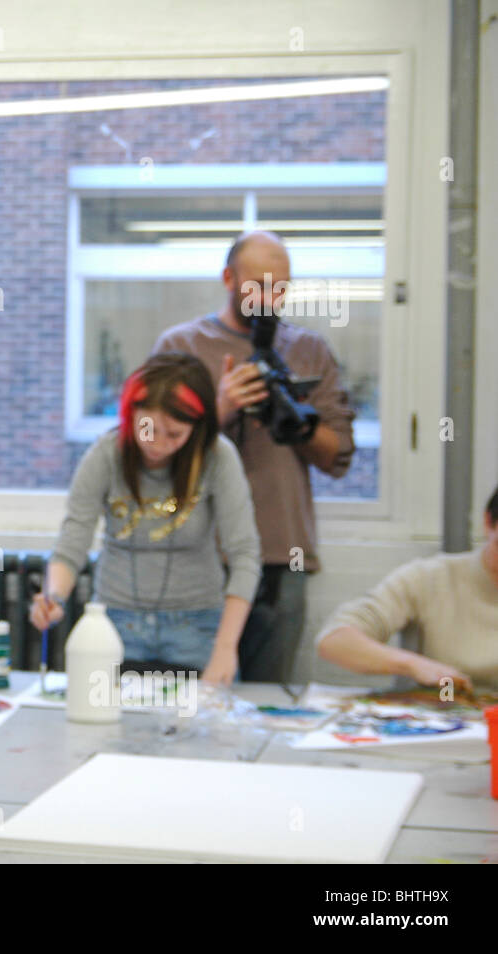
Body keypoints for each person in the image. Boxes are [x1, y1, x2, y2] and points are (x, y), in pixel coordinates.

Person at [151, 231, 355, 684]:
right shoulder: (182, 346)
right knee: (190, 698)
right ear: (228, 278)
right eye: (258, 285)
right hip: (197, 554)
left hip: (282, 555)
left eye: (281, 286)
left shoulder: (308, 350)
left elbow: (339, 455)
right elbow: (150, 454)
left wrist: (294, 419)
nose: (270, 297)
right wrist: (218, 408)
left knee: (268, 702)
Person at [29, 353, 261, 684]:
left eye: (174, 434)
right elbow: (72, 542)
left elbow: (245, 555)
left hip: (197, 628)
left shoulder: (217, 457)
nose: (158, 445)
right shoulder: (106, 454)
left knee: (202, 730)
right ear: (129, 415)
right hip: (115, 624)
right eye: (147, 429)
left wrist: (226, 647)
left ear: (196, 429)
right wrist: (53, 597)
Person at [315, 486, 498, 689]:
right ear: (488, 522)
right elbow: (334, 641)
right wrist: (412, 664)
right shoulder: (431, 577)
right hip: (436, 713)